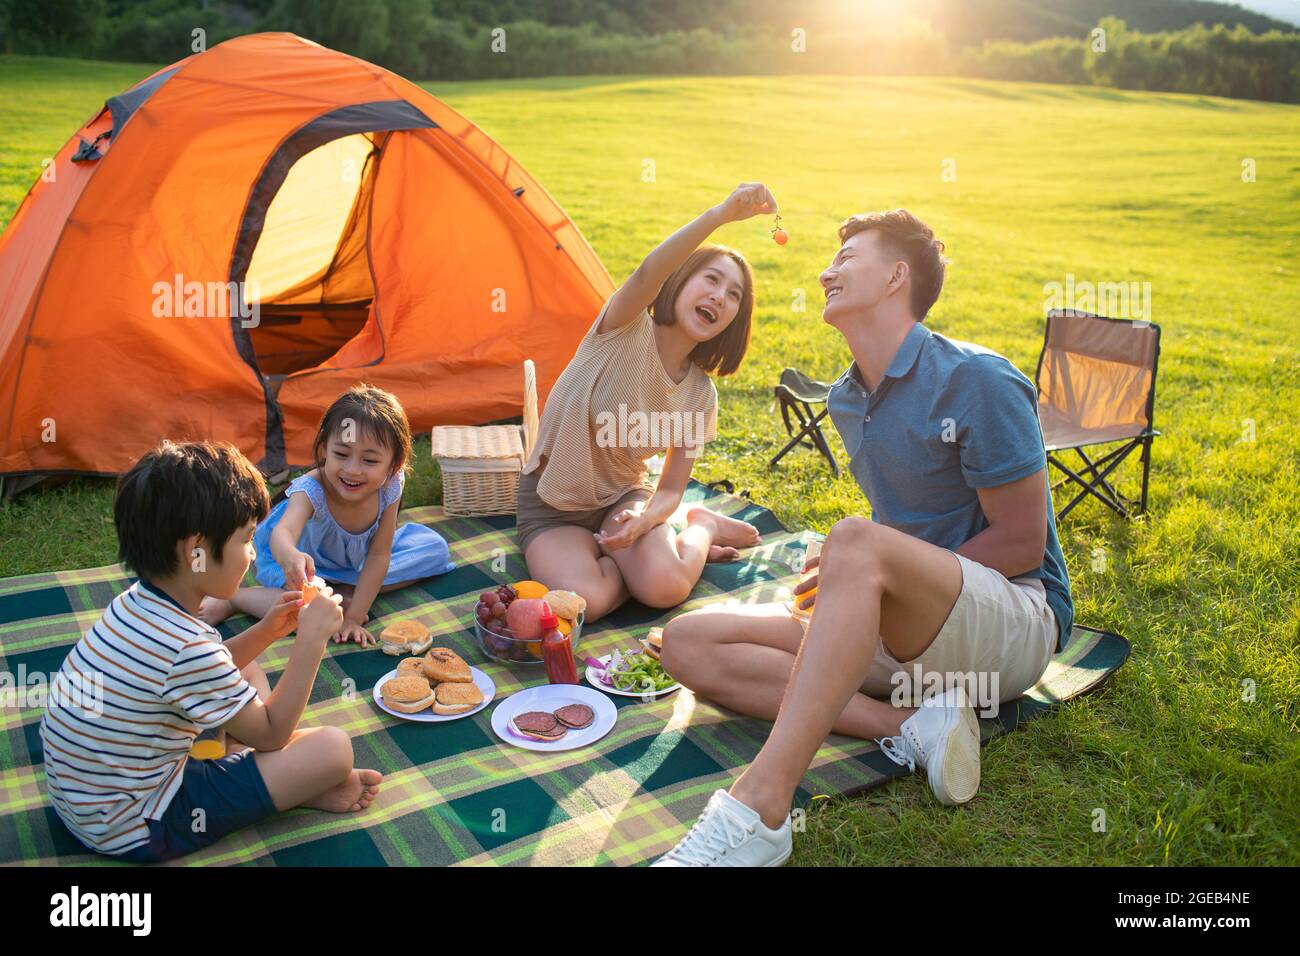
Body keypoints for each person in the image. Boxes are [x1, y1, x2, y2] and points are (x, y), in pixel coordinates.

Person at [654, 210, 1074, 866]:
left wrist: (871, 561)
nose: (828, 270)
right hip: (912, 632)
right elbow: (904, 527)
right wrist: (864, 571)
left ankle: (761, 808)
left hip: (1013, 625)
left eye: (848, 257)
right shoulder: (849, 399)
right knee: (685, 642)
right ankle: (912, 725)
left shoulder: (978, 381)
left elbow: (1021, 544)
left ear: (895, 277)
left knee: (855, 539)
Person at [40, 441, 382, 861]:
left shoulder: (137, 602)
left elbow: (189, 670)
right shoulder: (187, 649)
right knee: (332, 750)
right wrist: (310, 642)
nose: (252, 554)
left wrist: (269, 628)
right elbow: (273, 734)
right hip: (139, 823)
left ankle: (264, 775)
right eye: (245, 540)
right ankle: (280, 783)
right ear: (196, 551)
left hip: (85, 798)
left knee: (247, 669)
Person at [519, 183, 778, 621]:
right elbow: (645, 274)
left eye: (733, 295)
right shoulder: (623, 327)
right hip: (552, 507)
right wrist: (720, 214)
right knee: (587, 604)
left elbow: (672, 487)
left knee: (665, 589)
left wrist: (646, 521)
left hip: (623, 499)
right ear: (680, 281)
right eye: (711, 279)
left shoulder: (700, 395)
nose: (719, 296)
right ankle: (633, 561)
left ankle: (702, 527)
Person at [200, 384, 453, 644]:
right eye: (341, 454)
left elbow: (379, 554)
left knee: (435, 550)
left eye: (369, 460)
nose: (352, 469)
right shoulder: (312, 489)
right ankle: (236, 599)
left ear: (393, 465)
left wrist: (355, 616)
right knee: (309, 615)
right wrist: (291, 557)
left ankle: (345, 590)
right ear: (323, 451)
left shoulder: (391, 485)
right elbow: (282, 534)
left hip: (357, 561)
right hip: (305, 570)